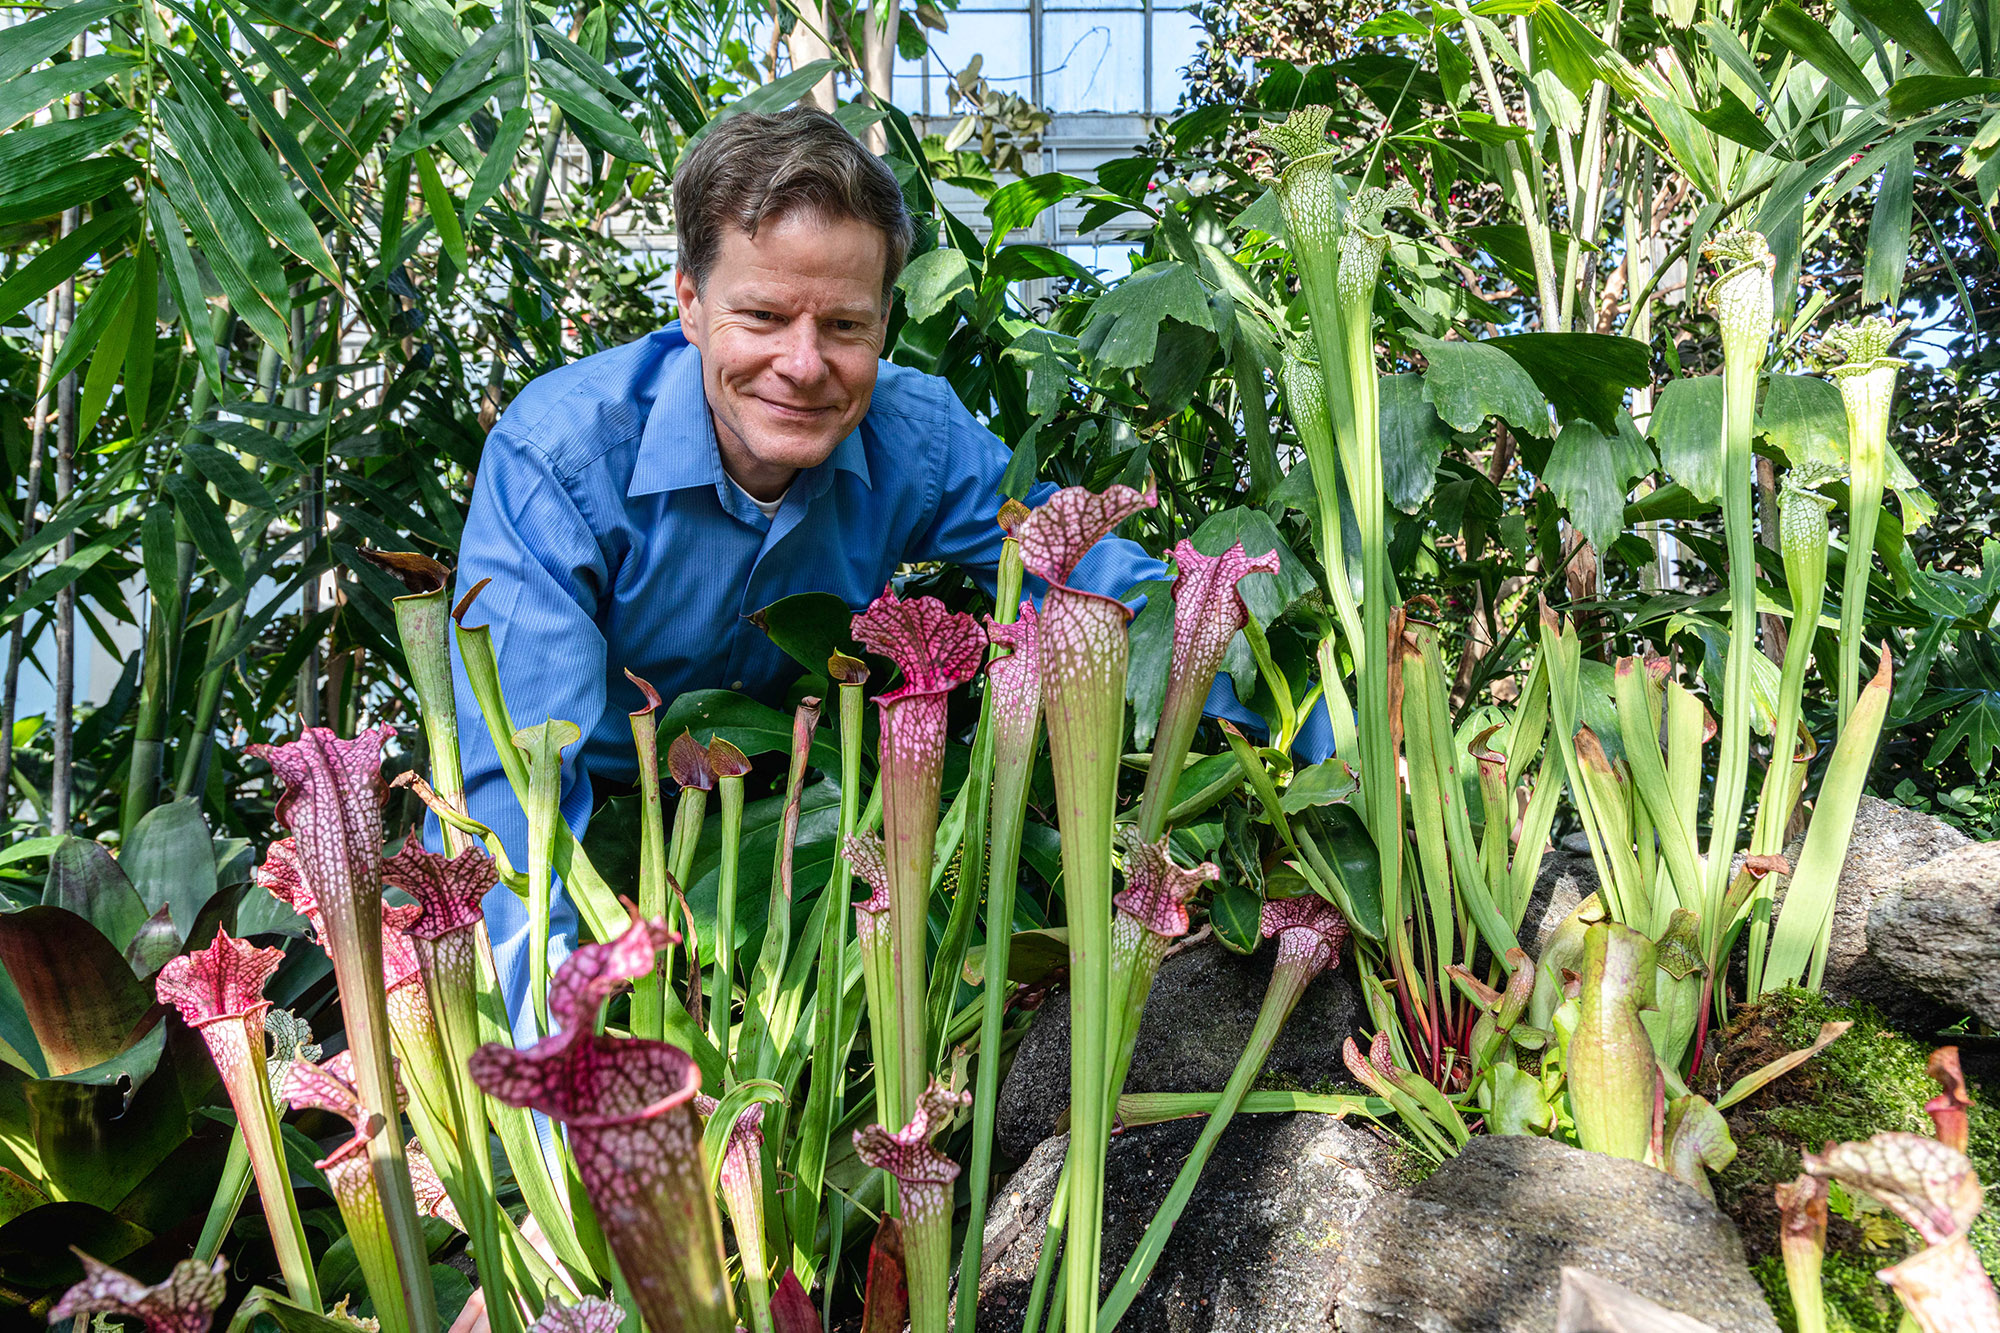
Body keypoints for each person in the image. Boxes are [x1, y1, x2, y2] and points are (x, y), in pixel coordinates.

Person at [444, 106, 1328, 1034]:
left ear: (885, 323)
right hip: (600, 835)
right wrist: (552, 1088)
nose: (804, 363)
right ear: (689, 305)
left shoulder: (916, 434)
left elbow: (1088, 573)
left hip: (783, 844)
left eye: (844, 324)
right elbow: (517, 803)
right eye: (762, 315)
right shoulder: (562, 459)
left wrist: (1321, 733)